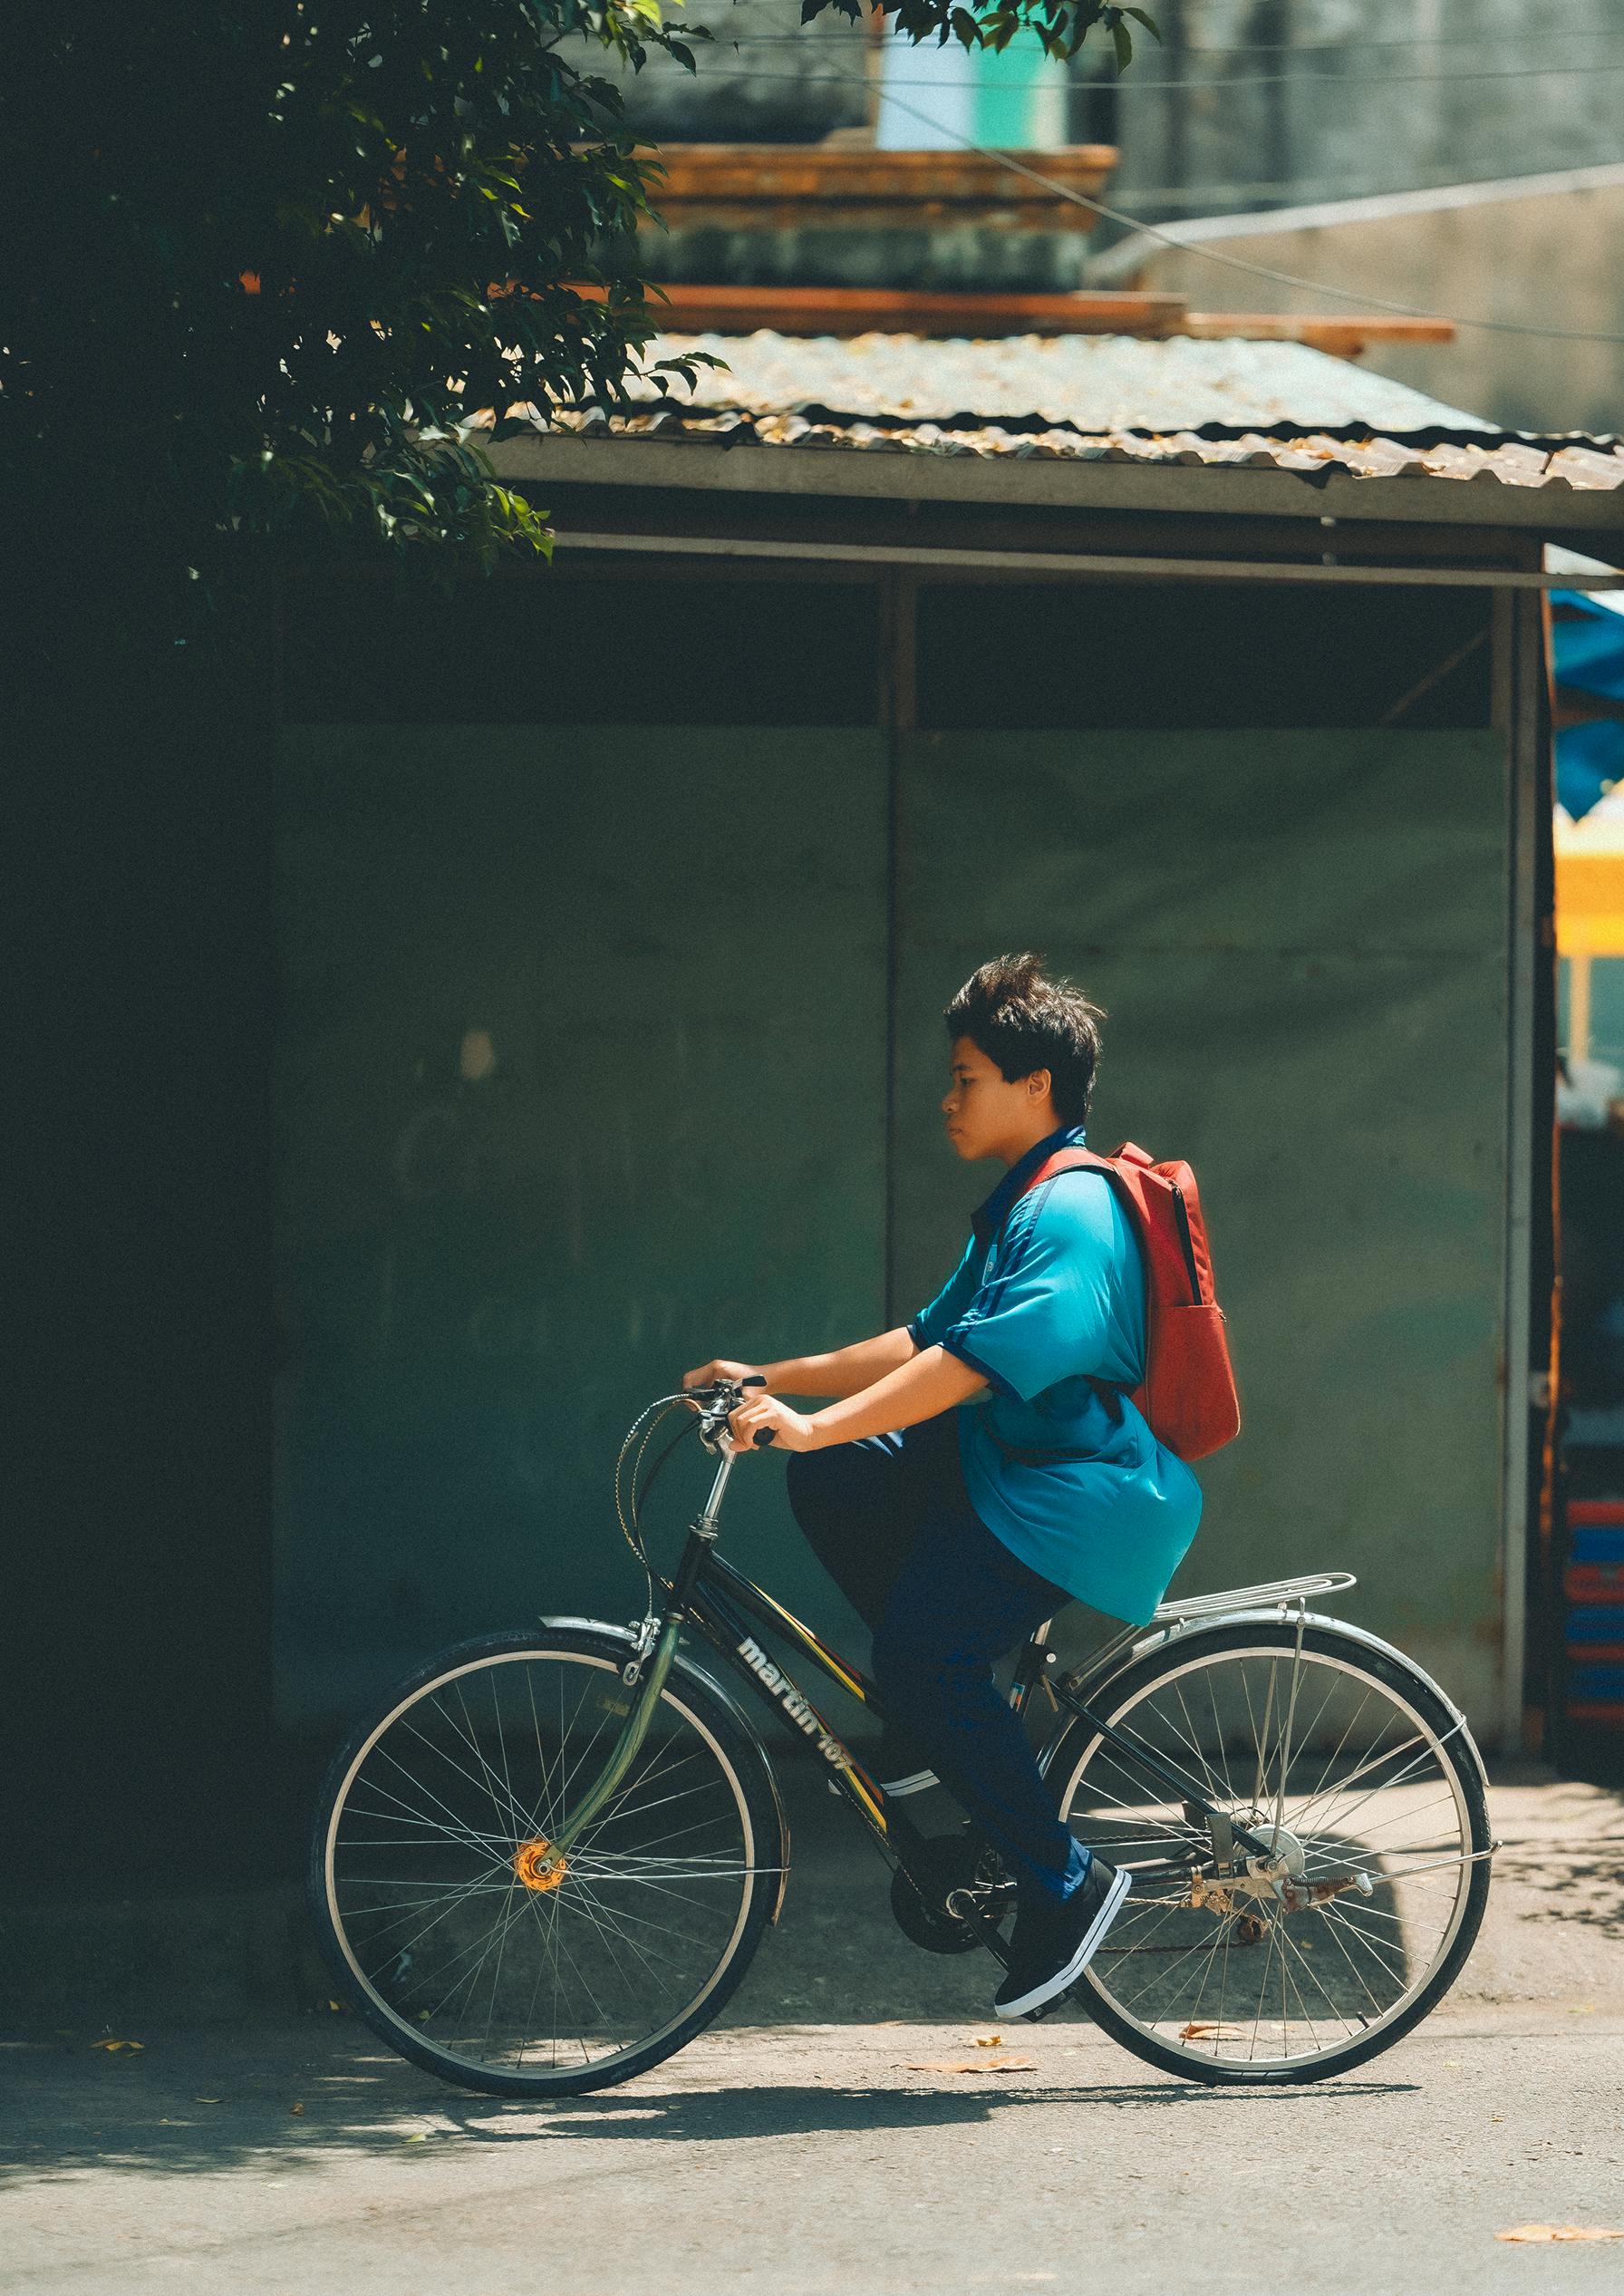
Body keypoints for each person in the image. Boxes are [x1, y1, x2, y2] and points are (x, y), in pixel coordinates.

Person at [683, 953, 1204, 2019]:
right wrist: (770, 1382)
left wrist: (811, 1419)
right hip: (1018, 1476)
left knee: (921, 1644)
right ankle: (930, 1729)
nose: (946, 1097)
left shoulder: (1070, 1213)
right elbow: (922, 1339)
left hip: (1079, 1502)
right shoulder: (1021, 1200)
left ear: (1035, 1088)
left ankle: (1065, 1884)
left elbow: (967, 1368)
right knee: (836, 1474)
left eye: (965, 1076)